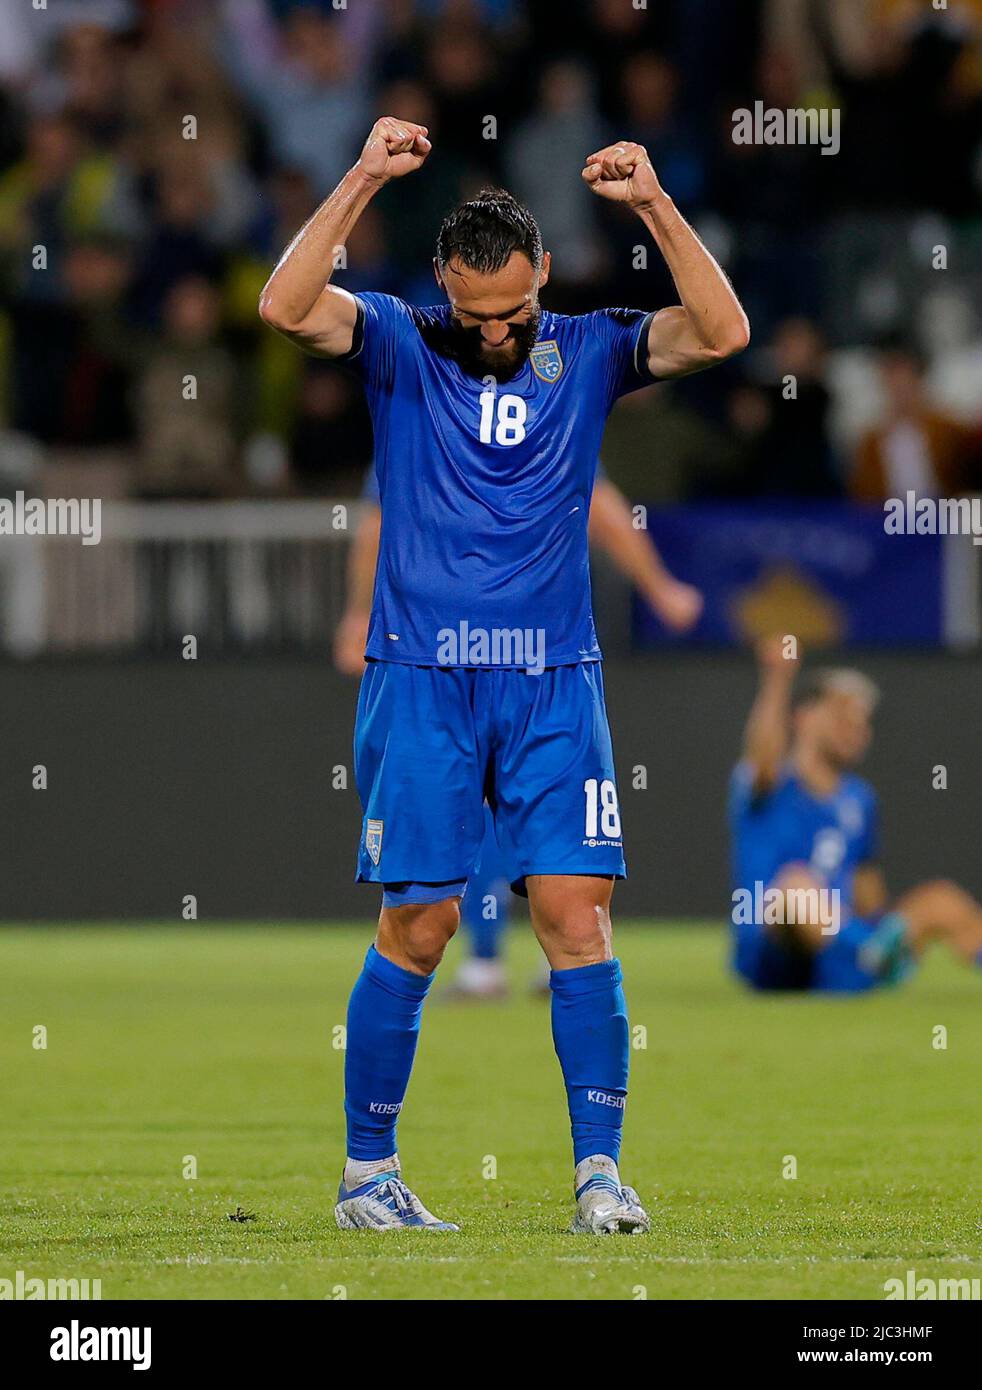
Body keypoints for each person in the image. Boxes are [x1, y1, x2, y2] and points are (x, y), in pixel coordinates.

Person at [260, 116, 749, 1234]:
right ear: (442, 283)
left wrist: (655, 207)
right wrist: (364, 175)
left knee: (577, 921)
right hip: (423, 677)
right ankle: (368, 1177)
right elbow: (285, 308)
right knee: (419, 927)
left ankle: (600, 1175)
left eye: (515, 311)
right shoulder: (393, 338)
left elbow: (723, 332)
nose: (494, 332)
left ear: (543, 281)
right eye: (477, 314)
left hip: (552, 683)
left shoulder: (586, 349)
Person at [335, 464, 704, 999]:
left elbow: (380, 519)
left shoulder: (436, 409)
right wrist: (660, 588)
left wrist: (356, 614)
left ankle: (507, 958)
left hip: (484, 651)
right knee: (522, 802)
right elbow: (600, 503)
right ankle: (527, 954)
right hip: (523, 652)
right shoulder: (534, 410)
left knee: (493, 805)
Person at [730, 639, 982, 993]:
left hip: (839, 948)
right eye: (842, 715)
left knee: (941, 901)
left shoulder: (859, 799)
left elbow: (868, 896)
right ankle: (873, 958)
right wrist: (778, 679)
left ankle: (873, 957)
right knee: (796, 888)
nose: (856, 728)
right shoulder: (768, 783)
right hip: (775, 951)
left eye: (862, 721)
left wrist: (898, 925)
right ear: (804, 717)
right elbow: (761, 755)